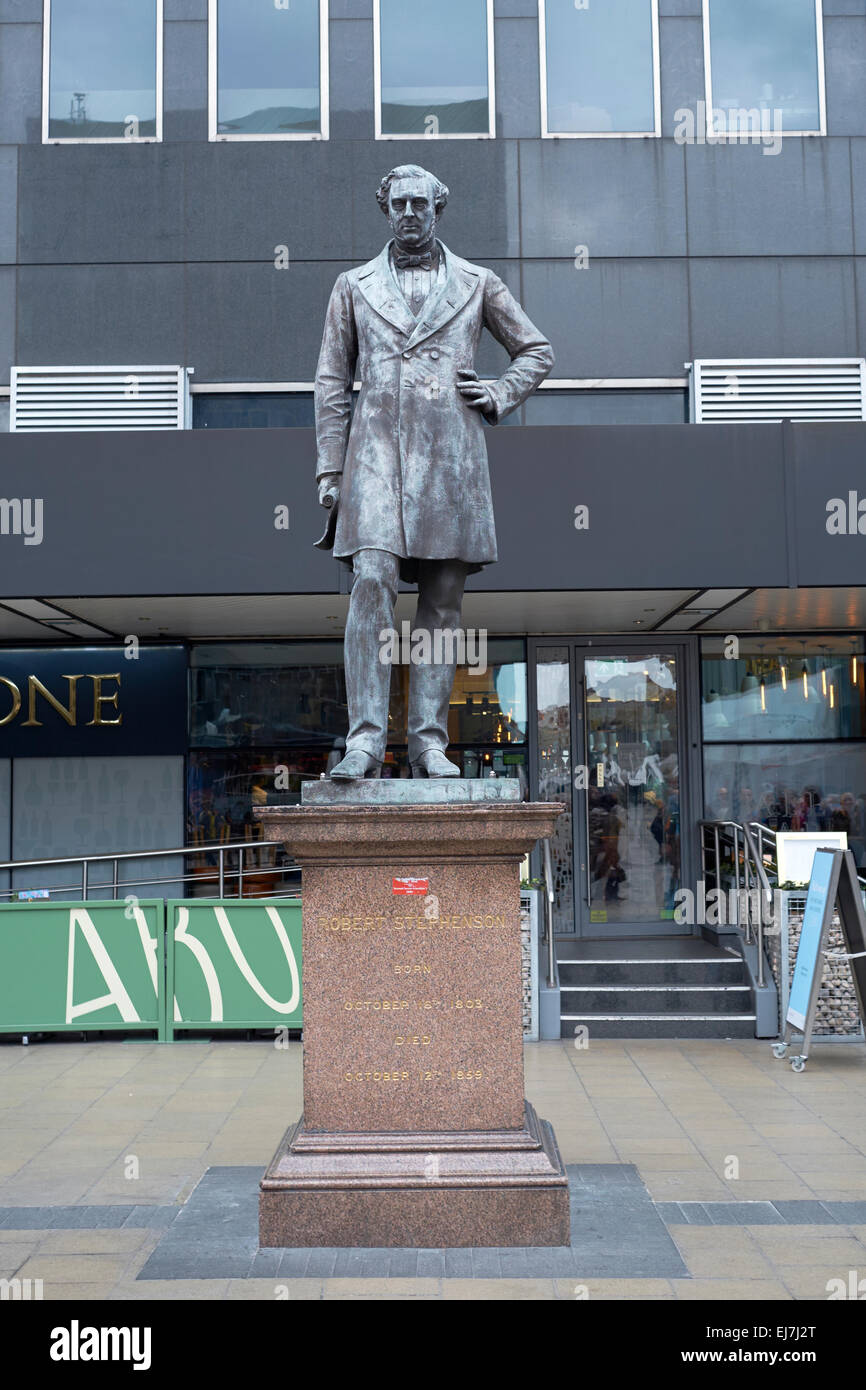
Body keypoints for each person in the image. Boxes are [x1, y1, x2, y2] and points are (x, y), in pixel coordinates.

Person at [315, 164, 553, 779]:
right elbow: (331, 382)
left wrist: (500, 393)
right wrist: (328, 467)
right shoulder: (353, 286)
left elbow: (536, 350)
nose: (410, 212)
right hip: (374, 458)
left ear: (438, 209)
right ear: (385, 209)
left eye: (420, 202)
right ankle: (365, 738)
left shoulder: (477, 283)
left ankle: (428, 742)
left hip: (450, 462)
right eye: (398, 203)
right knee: (370, 581)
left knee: (443, 601)